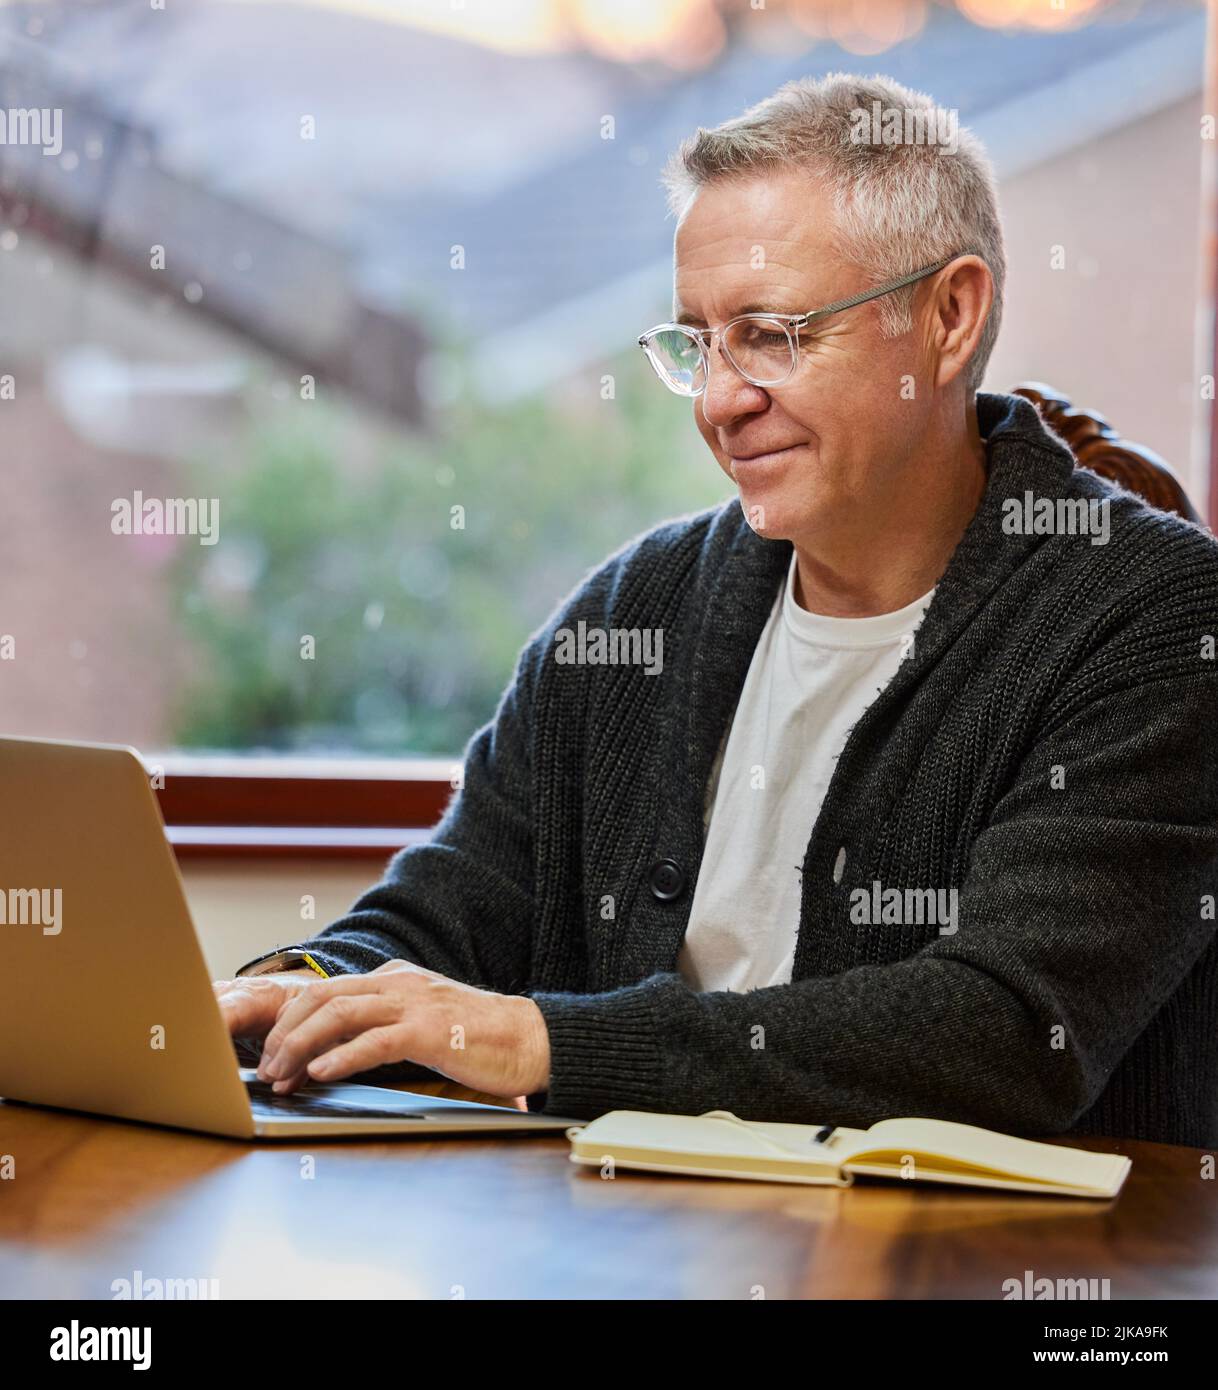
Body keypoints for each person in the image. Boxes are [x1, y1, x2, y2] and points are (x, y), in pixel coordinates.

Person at [215, 73, 1218, 1147]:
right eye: (698, 341)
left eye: (774, 334)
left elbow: (1006, 1029)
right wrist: (300, 987)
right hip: (636, 1245)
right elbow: (446, 913)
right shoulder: (636, 607)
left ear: (948, 316)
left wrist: (544, 1043)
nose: (718, 401)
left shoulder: (1157, 619)